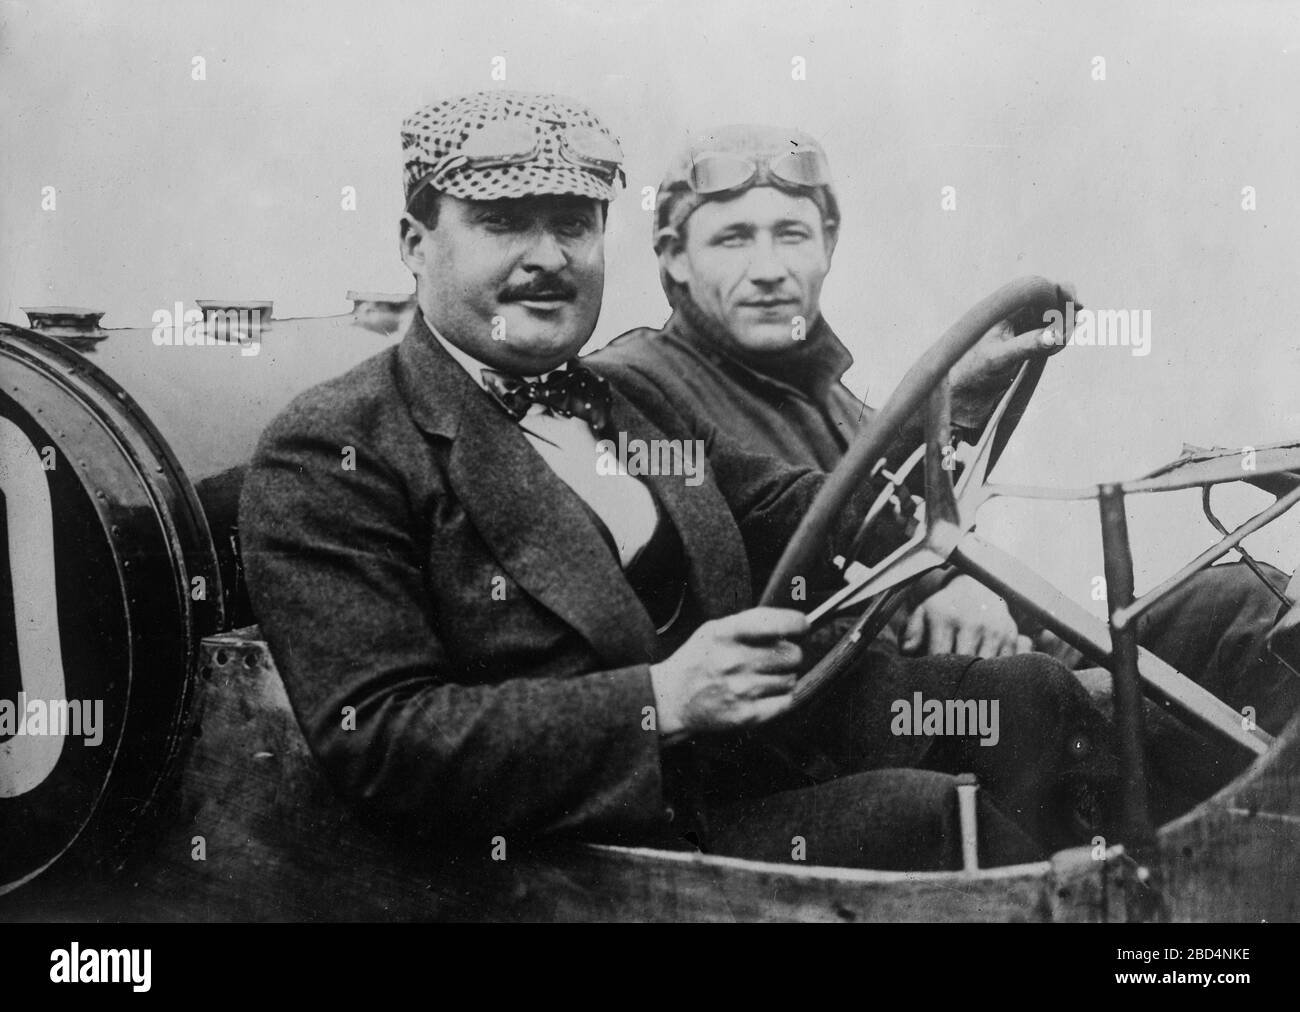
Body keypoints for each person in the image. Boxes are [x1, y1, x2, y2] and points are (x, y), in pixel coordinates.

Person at [239, 91, 1106, 873]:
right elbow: (383, 744)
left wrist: (948, 414)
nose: (549, 257)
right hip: (583, 845)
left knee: (1026, 696)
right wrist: (664, 701)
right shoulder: (333, 450)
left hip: (753, 753)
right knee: (921, 823)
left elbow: (802, 506)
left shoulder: (621, 404)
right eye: (505, 222)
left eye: (574, 223)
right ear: (414, 242)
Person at [589, 124, 1300, 818]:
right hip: (835, 711)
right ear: (674, 256)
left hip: (970, 652)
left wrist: (956, 574)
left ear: (828, 246)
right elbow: (718, 579)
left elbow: (910, 525)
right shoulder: (636, 389)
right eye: (734, 239)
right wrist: (918, 589)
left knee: (1242, 605)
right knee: (1108, 709)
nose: (770, 267)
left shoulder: (836, 398)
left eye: (793, 234)